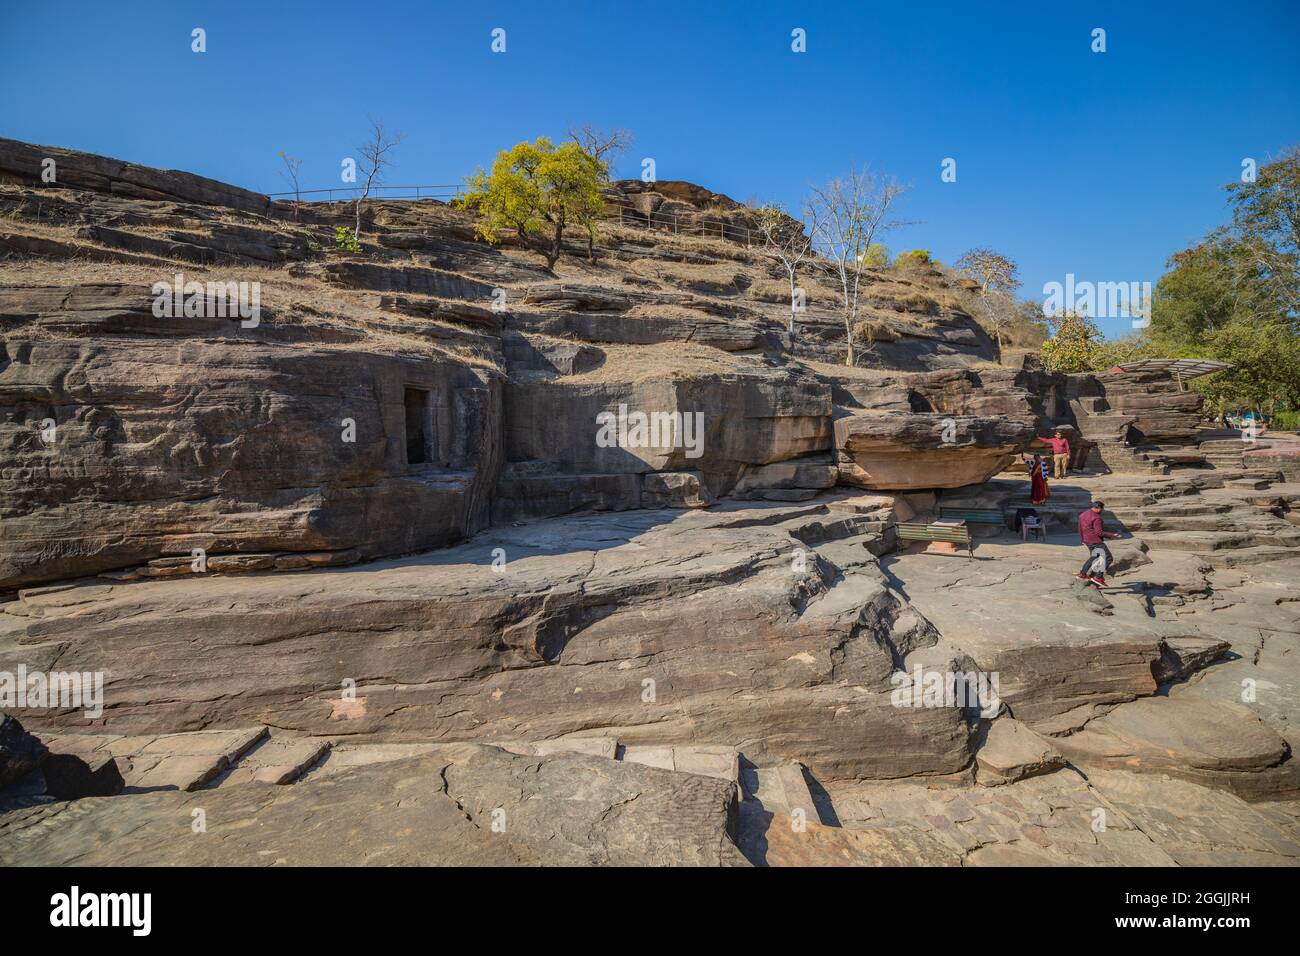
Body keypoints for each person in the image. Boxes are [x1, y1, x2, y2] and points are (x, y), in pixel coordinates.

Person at [1077, 500, 1121, 587]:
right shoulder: (1097, 518)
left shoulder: (1083, 514)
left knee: (1094, 557)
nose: (1102, 511)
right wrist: (1112, 535)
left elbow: (1079, 528)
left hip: (1087, 540)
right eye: (1102, 509)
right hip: (1096, 541)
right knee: (1108, 558)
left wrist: (1082, 539)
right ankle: (1098, 577)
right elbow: (1099, 533)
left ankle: (1082, 574)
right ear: (1098, 508)